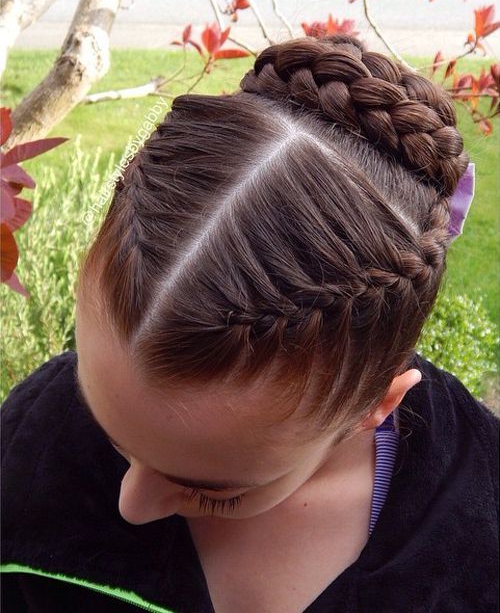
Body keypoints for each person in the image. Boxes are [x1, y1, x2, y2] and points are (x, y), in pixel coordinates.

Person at [1, 33, 498, 613]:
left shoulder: (474, 552)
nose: (128, 504)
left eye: (212, 491)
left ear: (374, 406)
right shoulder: (28, 442)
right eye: (109, 430)